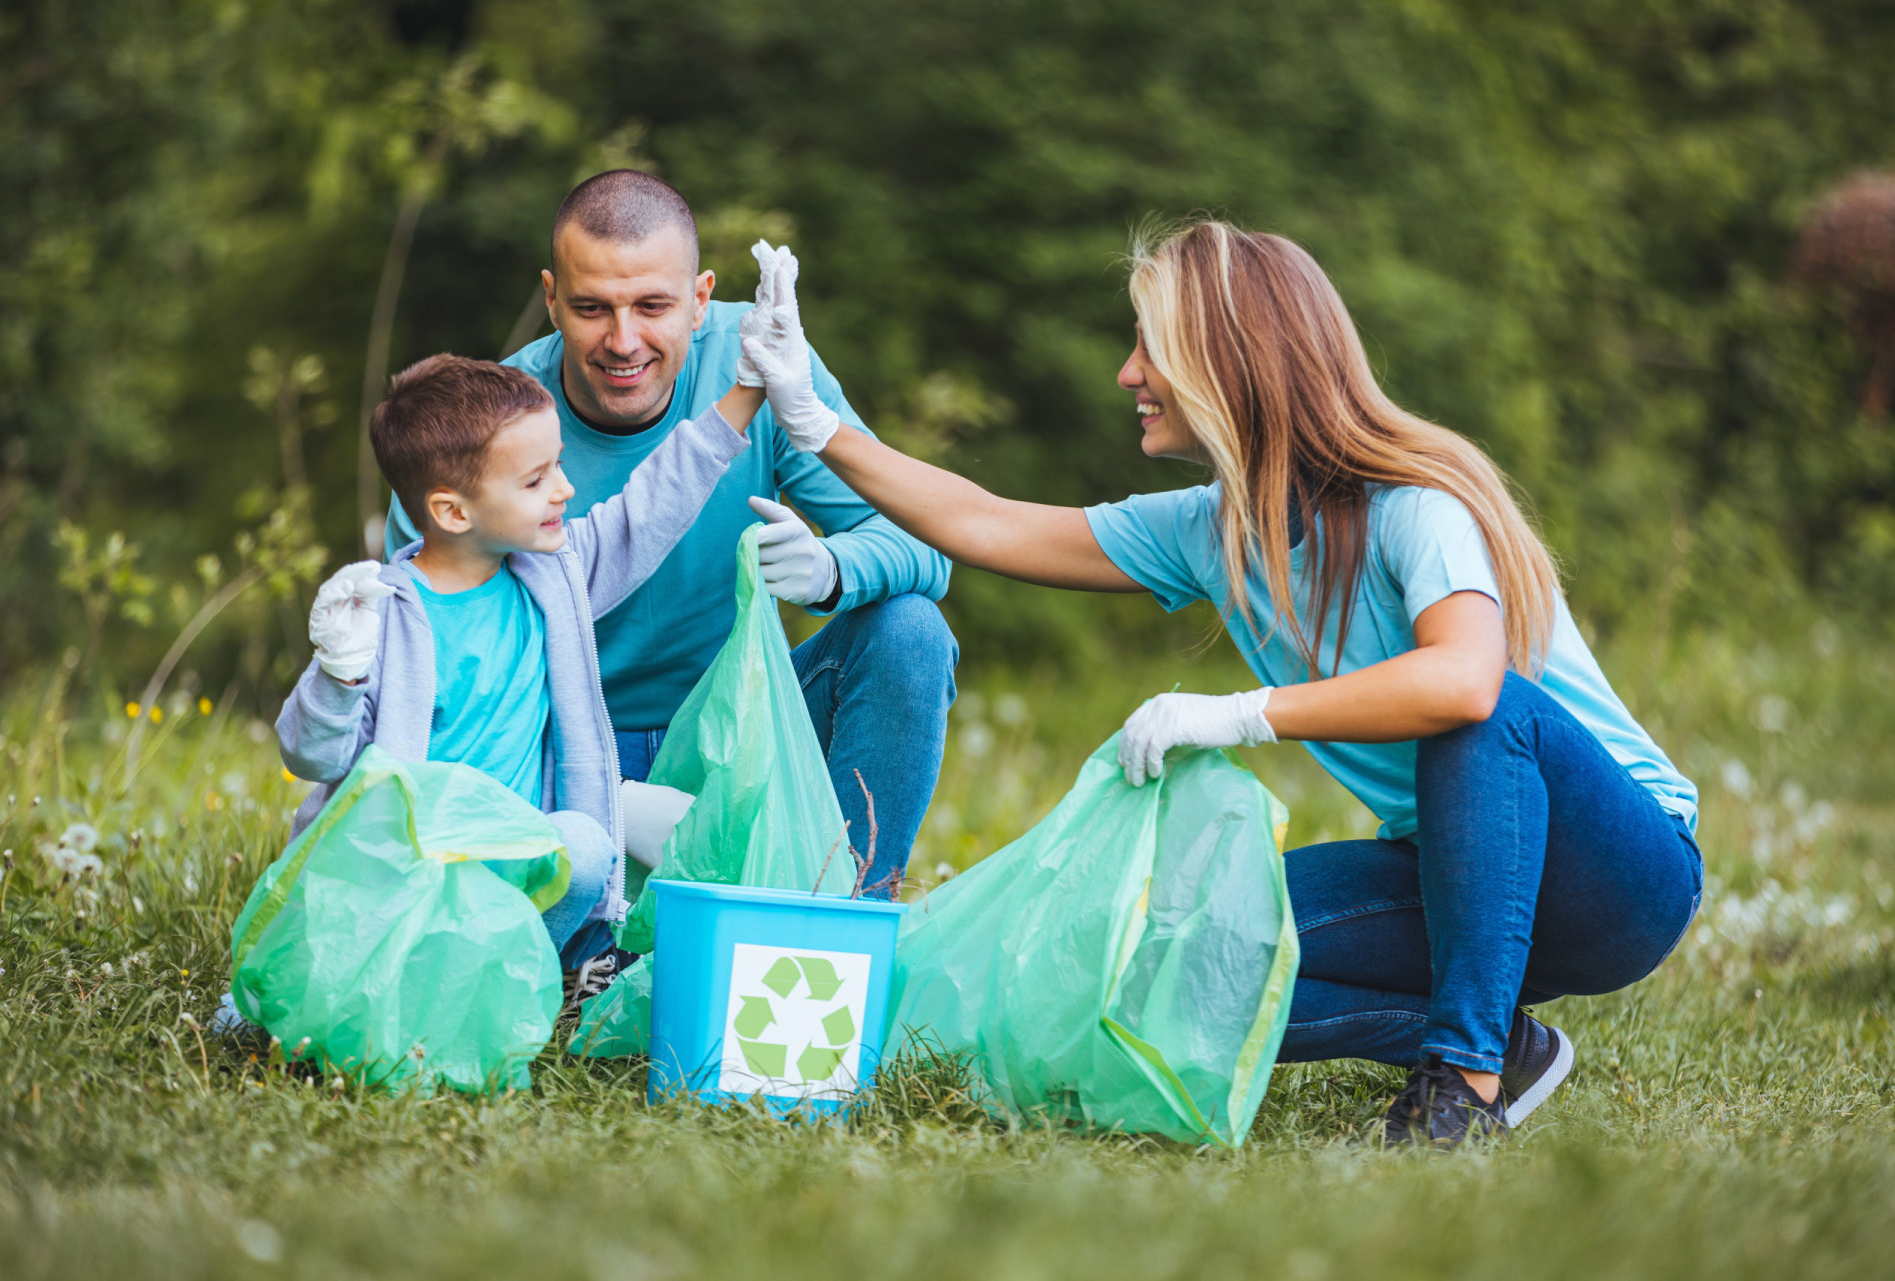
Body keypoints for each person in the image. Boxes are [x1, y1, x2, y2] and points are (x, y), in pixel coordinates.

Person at [740, 220, 1703, 1146]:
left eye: (1149, 348)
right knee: (1174, 969)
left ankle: (1461, 1083)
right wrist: (817, 421)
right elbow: (991, 523)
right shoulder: (1213, 529)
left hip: (1616, 881)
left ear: (1228, 360)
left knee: (1487, 711)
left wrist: (1240, 715)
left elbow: (1463, 682)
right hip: (1448, 883)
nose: (1127, 374)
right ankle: (1503, 1043)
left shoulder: (1417, 503)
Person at [385, 171, 957, 904]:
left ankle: (841, 929)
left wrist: (833, 569)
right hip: (554, 758)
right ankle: (602, 925)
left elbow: (926, 541)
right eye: (592, 308)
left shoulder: (762, 364)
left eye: (652, 305)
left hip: (741, 733)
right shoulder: (489, 435)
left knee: (910, 630)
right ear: (552, 299)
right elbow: (417, 673)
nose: (623, 342)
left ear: (700, 297)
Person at [281, 351, 760, 1001]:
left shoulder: (553, 575)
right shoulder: (382, 616)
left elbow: (646, 510)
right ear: (453, 512)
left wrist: (747, 391)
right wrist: (336, 675)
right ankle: (371, 984)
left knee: (588, 848)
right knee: (328, 997)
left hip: (507, 865)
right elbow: (313, 755)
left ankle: (523, 979)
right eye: (536, 479)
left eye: (558, 464)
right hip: (406, 874)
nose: (564, 487)